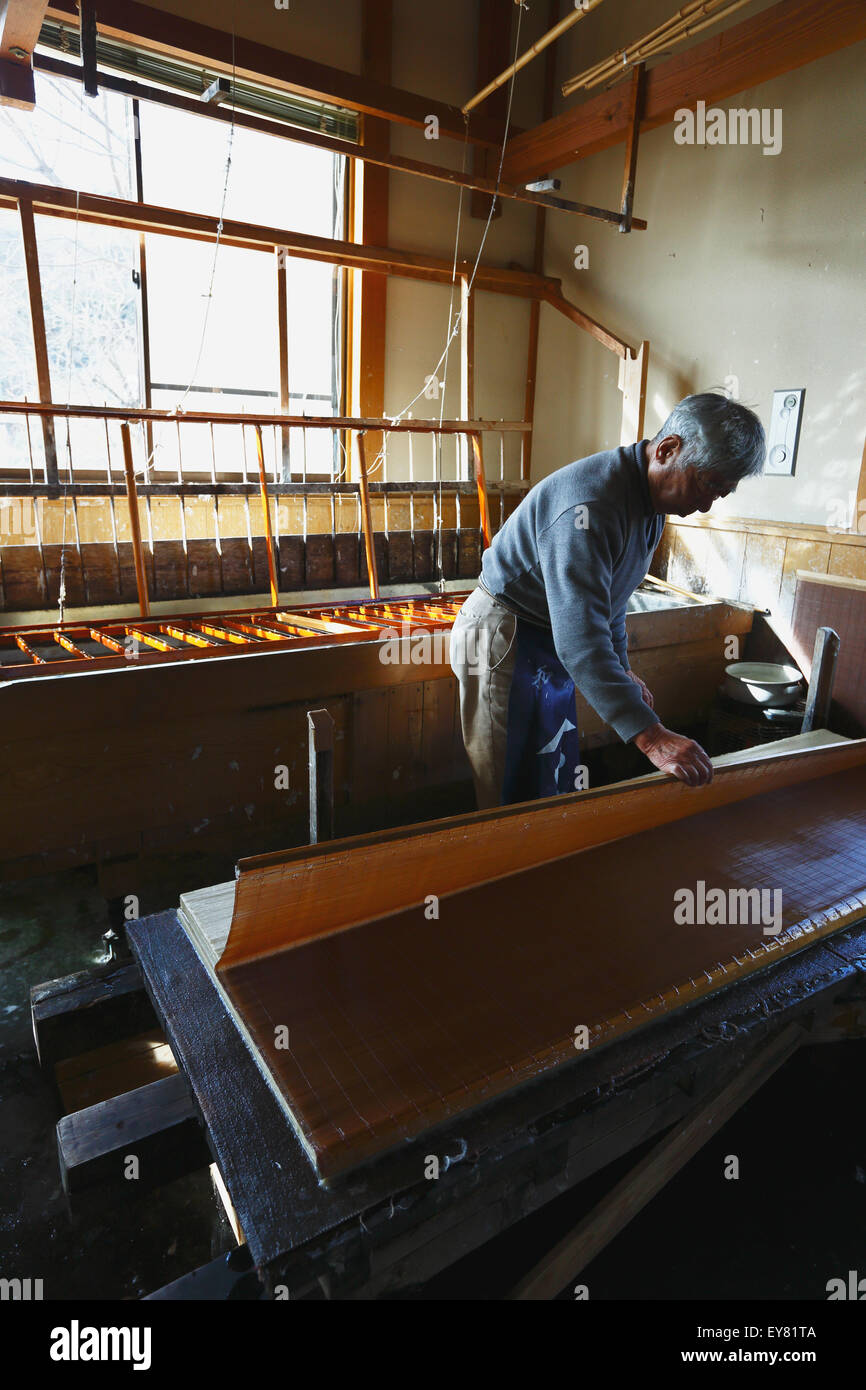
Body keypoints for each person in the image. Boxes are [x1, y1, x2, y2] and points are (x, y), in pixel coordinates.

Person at [450, 391, 766, 809]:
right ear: (668, 449)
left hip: (548, 642)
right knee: (510, 792)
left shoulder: (648, 502)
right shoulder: (594, 505)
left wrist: (621, 668)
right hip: (507, 634)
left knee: (549, 776)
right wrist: (653, 738)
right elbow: (580, 639)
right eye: (707, 485)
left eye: (721, 494)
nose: (706, 504)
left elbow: (609, 604)